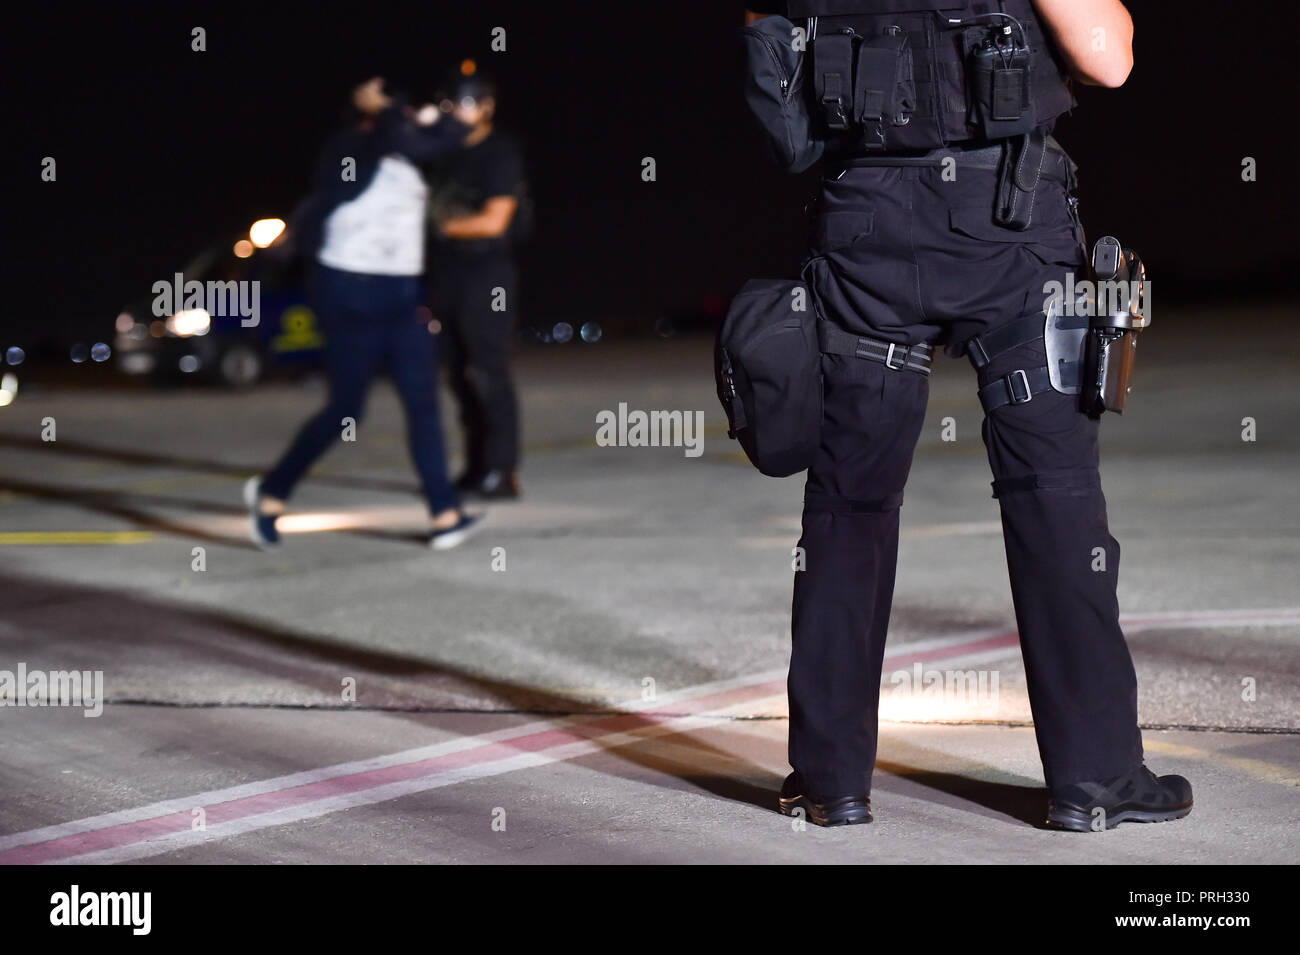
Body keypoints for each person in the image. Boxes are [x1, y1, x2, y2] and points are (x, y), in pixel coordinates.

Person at [745, 1, 1194, 830]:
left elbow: (772, 59)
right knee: (1054, 496)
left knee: (848, 507)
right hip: (1009, 226)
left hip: (866, 228)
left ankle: (830, 779)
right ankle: (1093, 780)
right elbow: (1108, 58)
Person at [246, 78, 480, 551]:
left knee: (423, 403)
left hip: (400, 293)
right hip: (347, 290)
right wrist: (389, 110)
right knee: (345, 410)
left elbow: (447, 137)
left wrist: (438, 115)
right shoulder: (350, 147)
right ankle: (272, 493)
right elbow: (395, 136)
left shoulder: (409, 153)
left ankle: (444, 513)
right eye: (392, 106)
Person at [426, 73, 527, 500]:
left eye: (463, 104)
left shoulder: (498, 152)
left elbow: (495, 219)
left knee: (489, 372)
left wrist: (444, 225)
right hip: (444, 275)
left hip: (486, 276)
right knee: (455, 375)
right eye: (450, 105)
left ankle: (503, 471)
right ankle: (476, 464)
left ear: (486, 106)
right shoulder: (441, 153)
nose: (455, 112)